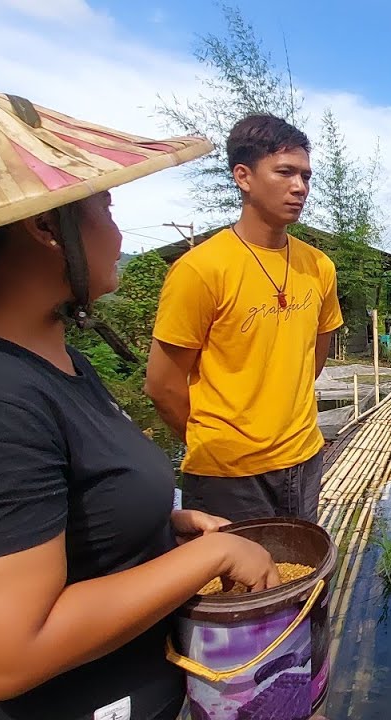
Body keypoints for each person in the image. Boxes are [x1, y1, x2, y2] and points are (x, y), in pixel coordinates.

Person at [0, 80, 282, 720]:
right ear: (47, 226)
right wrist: (214, 554)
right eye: (108, 210)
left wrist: (162, 524)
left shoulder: (54, 360)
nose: (118, 235)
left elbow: (57, 519)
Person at [145, 113, 344, 525]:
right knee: (237, 568)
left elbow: (313, 358)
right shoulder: (202, 269)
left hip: (303, 460)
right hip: (227, 476)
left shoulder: (318, 267)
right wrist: (219, 444)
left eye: (306, 176)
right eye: (285, 172)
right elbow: (163, 385)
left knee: (302, 562)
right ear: (243, 176)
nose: (300, 187)